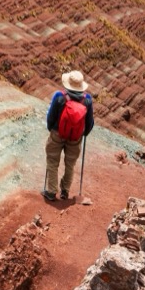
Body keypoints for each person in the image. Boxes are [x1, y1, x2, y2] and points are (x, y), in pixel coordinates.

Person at [42, 70, 94, 201]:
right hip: (76, 137)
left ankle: (51, 192)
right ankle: (65, 191)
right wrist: (83, 134)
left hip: (57, 133)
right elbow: (90, 122)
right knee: (70, 164)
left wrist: (52, 129)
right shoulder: (87, 100)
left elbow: (51, 116)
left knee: (52, 161)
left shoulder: (59, 96)